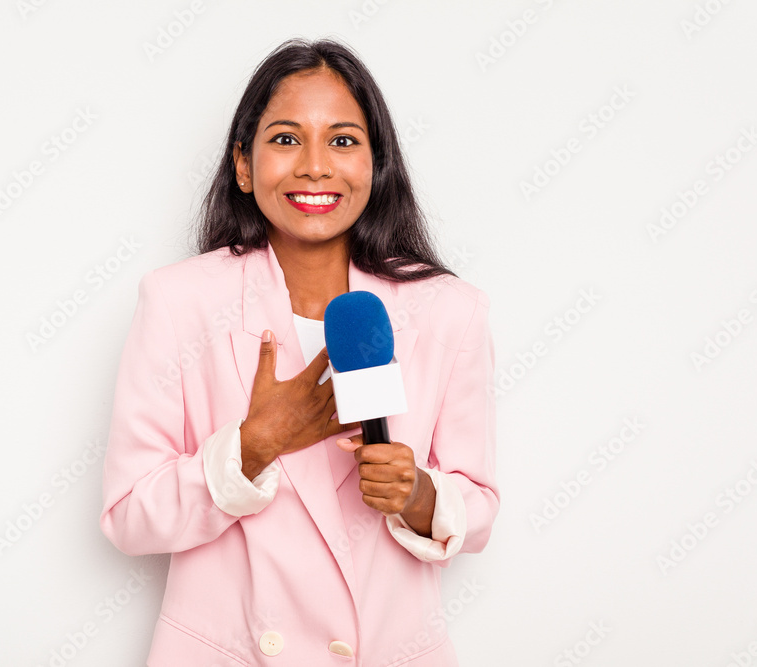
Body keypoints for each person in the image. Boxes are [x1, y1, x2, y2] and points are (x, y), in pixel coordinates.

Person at [100, 37, 498, 666]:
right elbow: (128, 517)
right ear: (243, 164)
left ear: (377, 163)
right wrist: (253, 446)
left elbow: (478, 505)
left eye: (343, 140)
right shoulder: (180, 303)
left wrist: (420, 495)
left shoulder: (450, 310)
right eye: (286, 139)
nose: (316, 166)